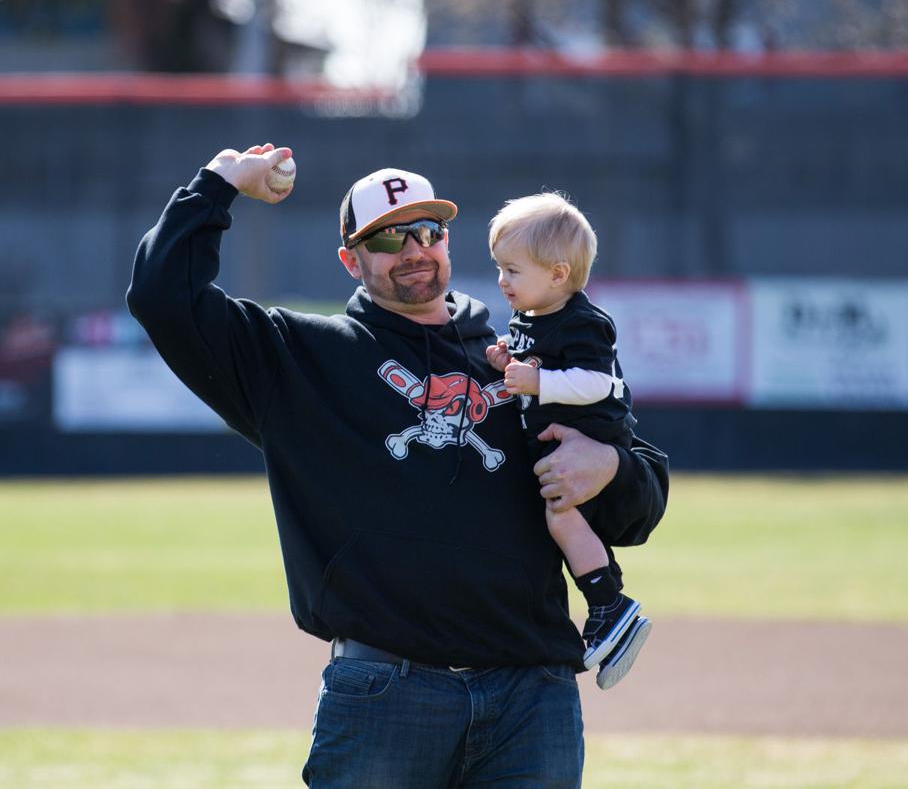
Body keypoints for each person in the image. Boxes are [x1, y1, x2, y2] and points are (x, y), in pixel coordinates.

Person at [126, 143, 669, 788]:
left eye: (427, 230)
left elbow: (637, 507)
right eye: (387, 239)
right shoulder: (299, 357)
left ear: (447, 241)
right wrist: (217, 185)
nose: (414, 250)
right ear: (350, 260)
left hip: (531, 697)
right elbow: (163, 296)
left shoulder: (519, 359)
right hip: (385, 693)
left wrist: (609, 466)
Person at [485, 193, 651, 691]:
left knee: (561, 516)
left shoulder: (584, 322)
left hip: (593, 435)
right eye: (500, 268)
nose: (502, 280)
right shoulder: (532, 315)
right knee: (558, 518)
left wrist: (538, 383)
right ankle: (609, 609)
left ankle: (609, 604)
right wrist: (509, 364)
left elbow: (599, 382)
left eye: (513, 270)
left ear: (558, 275)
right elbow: (535, 364)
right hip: (554, 442)